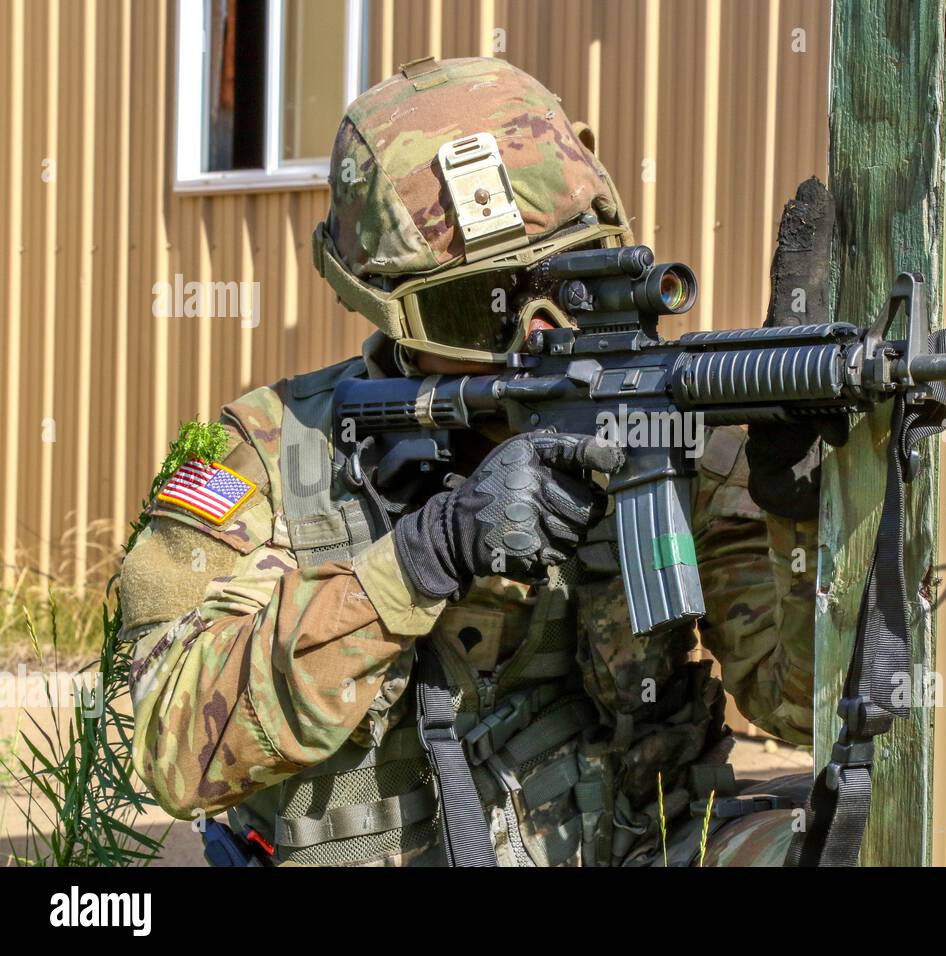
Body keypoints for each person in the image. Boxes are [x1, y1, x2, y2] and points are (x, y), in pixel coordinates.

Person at [121, 55, 830, 867]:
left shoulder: (667, 431)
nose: (534, 330)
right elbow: (173, 752)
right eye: (474, 309)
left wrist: (799, 513)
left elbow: (802, 709)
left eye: (565, 281)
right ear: (384, 308)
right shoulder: (273, 455)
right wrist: (423, 558)